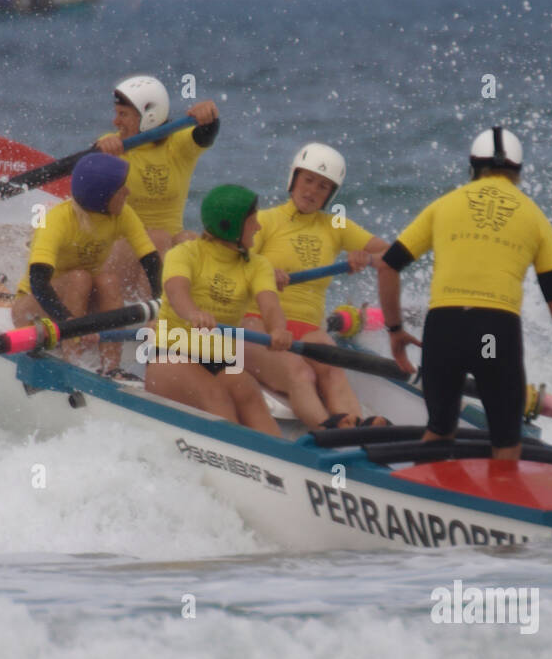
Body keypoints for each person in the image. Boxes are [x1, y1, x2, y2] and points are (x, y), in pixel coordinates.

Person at [376, 126, 552, 459]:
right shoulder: (535, 218)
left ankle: (423, 494)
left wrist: (395, 330)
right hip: (493, 336)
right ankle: (499, 497)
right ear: (518, 174)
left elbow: (387, 266)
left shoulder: (444, 205)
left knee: (439, 431)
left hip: (444, 330)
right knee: (506, 443)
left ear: (473, 168)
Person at [241, 143, 398, 430]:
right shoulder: (265, 220)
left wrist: (366, 257)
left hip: (308, 329)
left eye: (323, 186)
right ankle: (329, 432)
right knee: (300, 374)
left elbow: (392, 254)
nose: (312, 191)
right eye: (308, 180)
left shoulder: (335, 224)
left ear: (331, 195)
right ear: (294, 179)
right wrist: (262, 273)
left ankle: (359, 432)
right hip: (258, 325)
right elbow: (234, 266)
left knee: (333, 372)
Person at [144, 185, 292, 436]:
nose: (258, 226)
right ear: (230, 225)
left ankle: (285, 462)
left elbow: (270, 305)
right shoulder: (184, 253)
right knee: (216, 397)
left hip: (219, 359)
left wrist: (278, 329)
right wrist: (192, 313)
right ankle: (238, 462)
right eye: (252, 220)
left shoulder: (258, 265)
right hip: (170, 355)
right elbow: (177, 292)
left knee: (250, 394)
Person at [10, 152, 162, 376]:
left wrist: (159, 308)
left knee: (108, 280)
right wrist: (69, 320)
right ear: (102, 196)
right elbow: (38, 281)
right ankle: (72, 362)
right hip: (35, 310)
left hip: (78, 308)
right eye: (122, 189)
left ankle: (111, 367)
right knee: (79, 277)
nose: (128, 192)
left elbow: (150, 261)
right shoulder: (56, 221)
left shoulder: (123, 214)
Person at [95, 75, 220, 295]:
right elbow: (87, 185)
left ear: (149, 117)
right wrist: (99, 154)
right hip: (118, 256)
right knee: (158, 238)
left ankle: (173, 313)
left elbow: (206, 134)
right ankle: (152, 316)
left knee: (190, 240)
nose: (116, 122)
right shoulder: (111, 146)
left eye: (123, 115)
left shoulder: (179, 143)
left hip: (164, 256)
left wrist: (209, 115)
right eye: (117, 114)